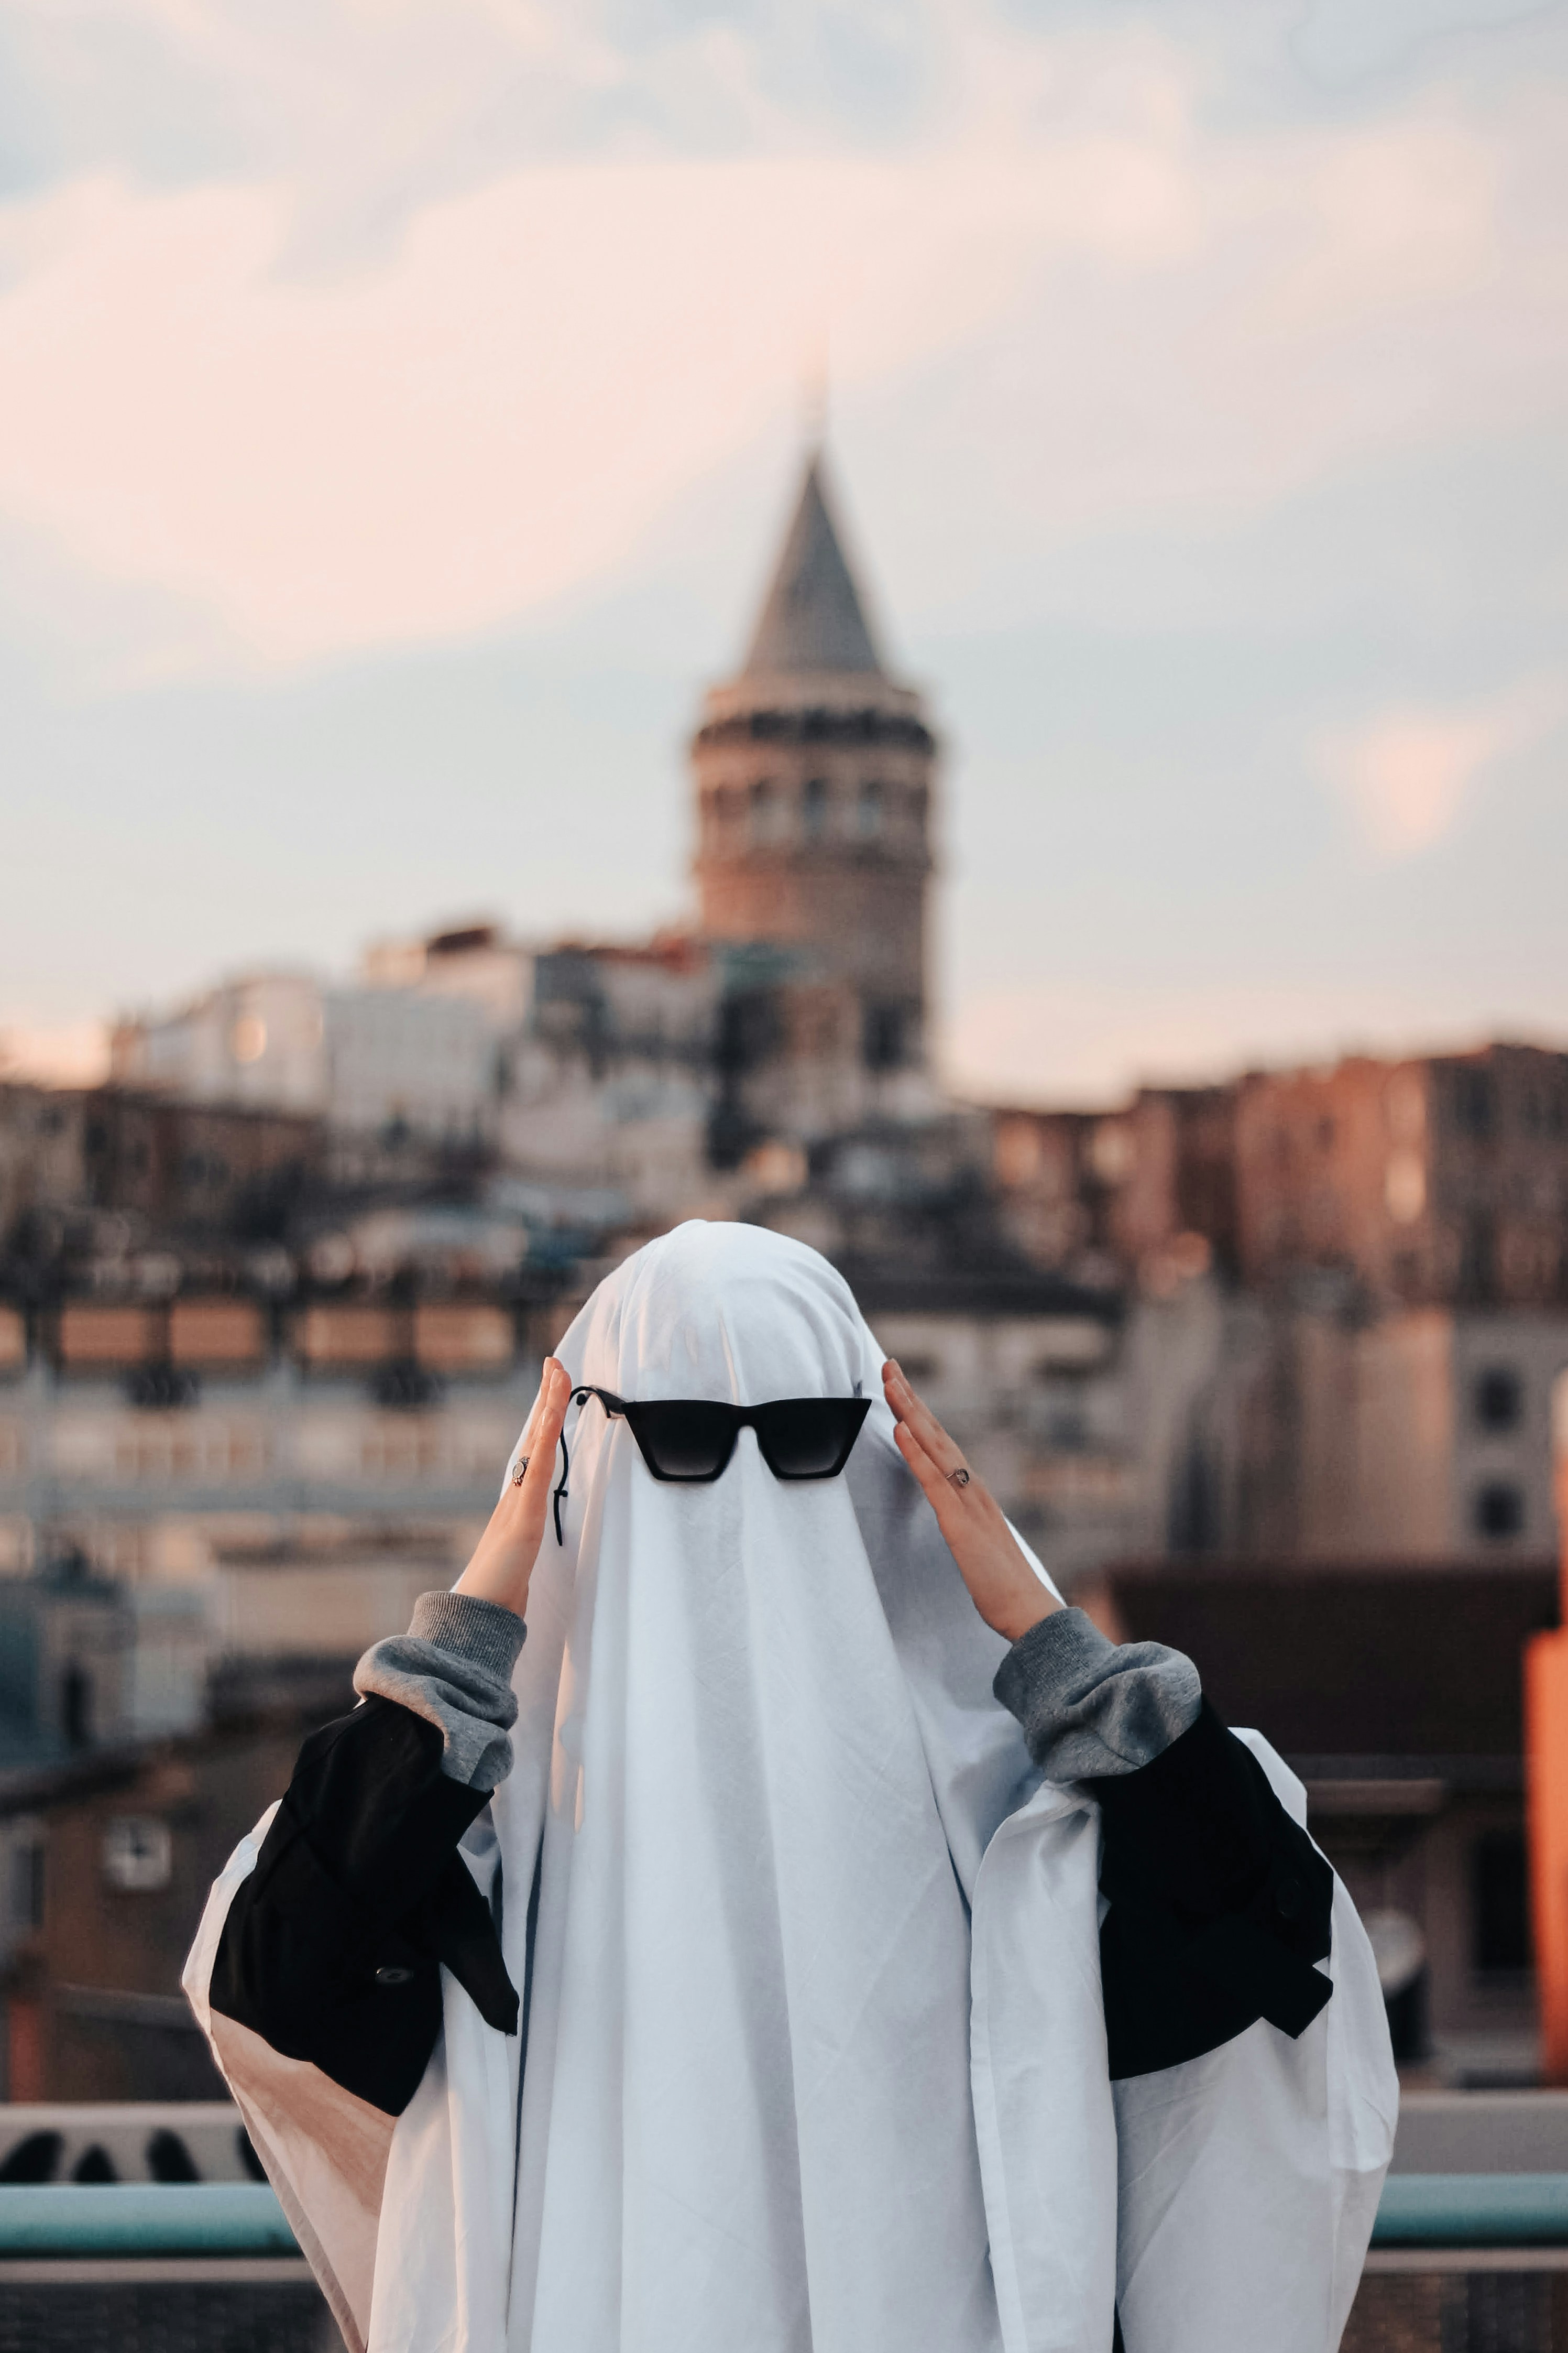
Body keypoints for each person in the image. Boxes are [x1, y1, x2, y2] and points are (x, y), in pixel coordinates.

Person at [185, 1221, 1395, 2353]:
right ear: (575, 1453)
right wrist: (464, 1636)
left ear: (881, 1440)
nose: (746, 1501)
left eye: (806, 1435)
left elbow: (1273, 1944)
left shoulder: (1029, 1811)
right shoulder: (467, 1818)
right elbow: (273, 1979)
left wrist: (1048, 1641)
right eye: (683, 1442)